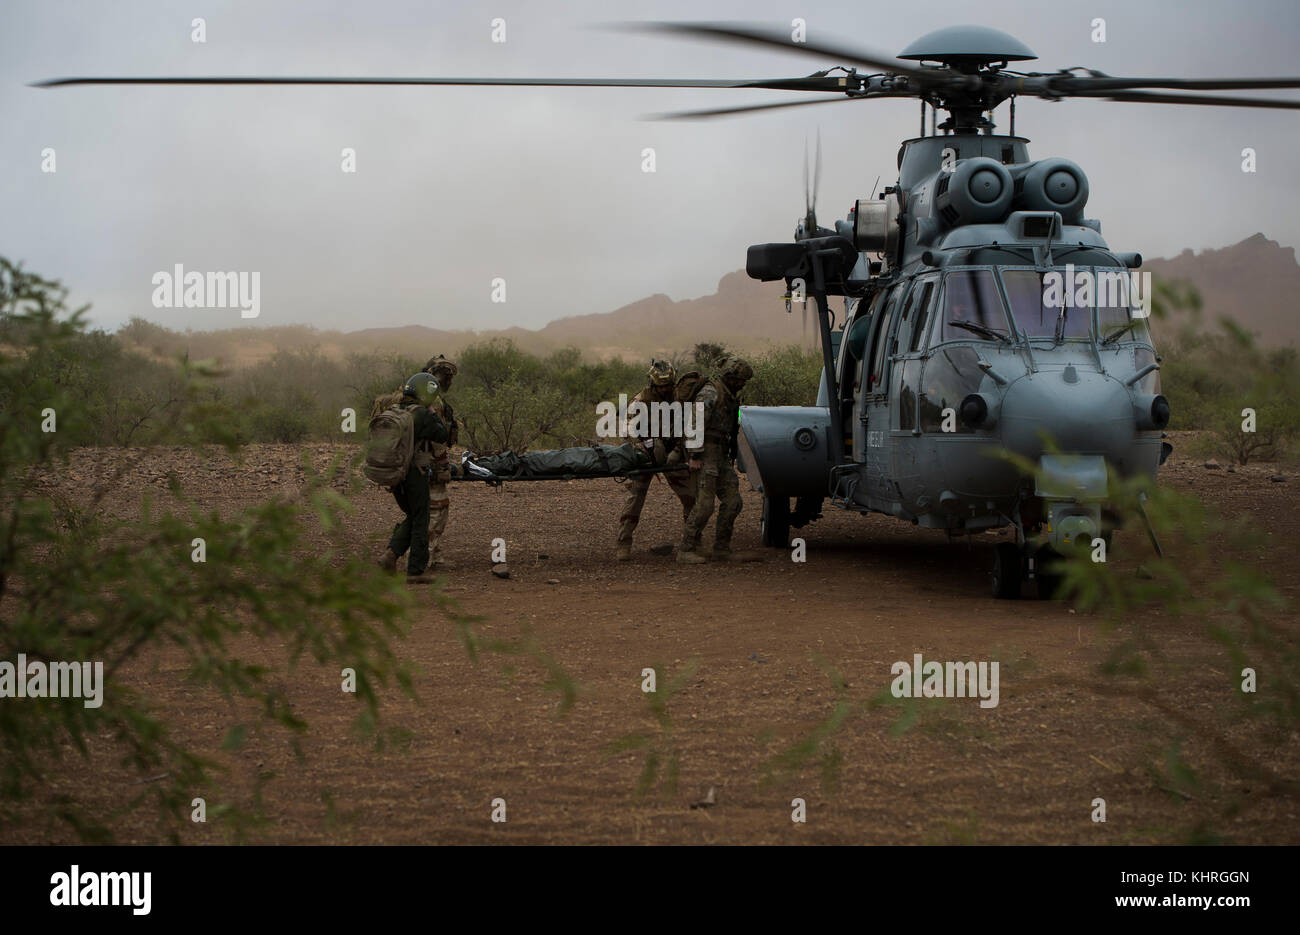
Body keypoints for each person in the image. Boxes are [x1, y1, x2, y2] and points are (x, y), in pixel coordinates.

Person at [615, 360, 696, 561]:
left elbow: (689, 425)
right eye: (660, 386)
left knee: (691, 498)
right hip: (647, 454)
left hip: (672, 454)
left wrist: (678, 449)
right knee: (635, 499)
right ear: (653, 384)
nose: (664, 389)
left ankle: (693, 543)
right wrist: (640, 447)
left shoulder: (680, 398)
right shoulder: (641, 400)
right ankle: (623, 543)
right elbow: (626, 428)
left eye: (667, 385)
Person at [678, 356, 753, 564]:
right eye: (740, 380)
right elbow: (696, 421)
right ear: (731, 377)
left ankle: (722, 548)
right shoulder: (711, 392)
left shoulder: (729, 396)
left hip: (721, 453)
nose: (742, 384)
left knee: (733, 501)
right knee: (704, 505)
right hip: (705, 453)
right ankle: (686, 549)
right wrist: (694, 455)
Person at [376, 373, 450, 583]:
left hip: (392, 472)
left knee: (413, 515)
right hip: (414, 472)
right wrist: (433, 413)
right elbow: (442, 435)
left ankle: (390, 556)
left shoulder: (393, 409)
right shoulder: (420, 414)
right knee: (421, 517)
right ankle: (416, 571)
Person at [422, 356, 460, 568]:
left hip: (417, 465)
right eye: (448, 378)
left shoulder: (416, 396)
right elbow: (437, 440)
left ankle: (433, 555)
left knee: (423, 512)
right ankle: (425, 558)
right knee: (437, 510)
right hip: (430, 466)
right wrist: (442, 467)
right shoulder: (433, 403)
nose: (450, 382)